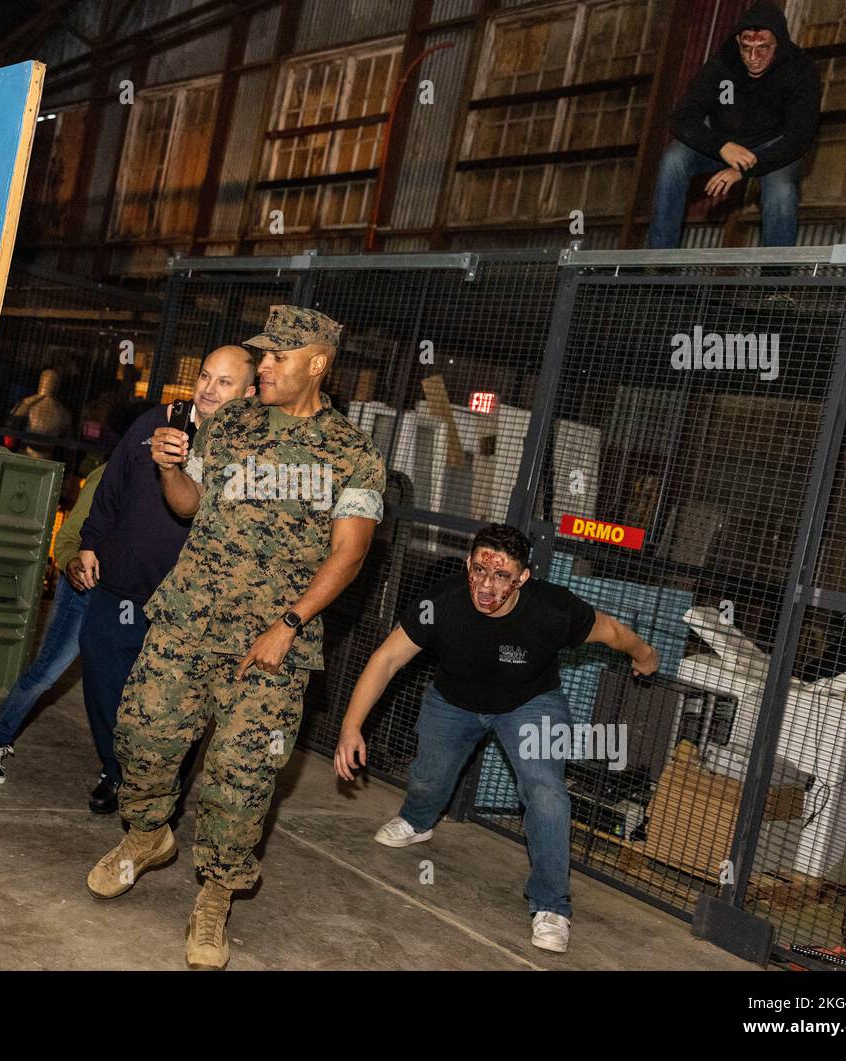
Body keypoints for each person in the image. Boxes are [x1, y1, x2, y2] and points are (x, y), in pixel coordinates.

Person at [84, 305, 386, 971]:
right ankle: (146, 836)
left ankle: (216, 894)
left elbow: (352, 550)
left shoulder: (353, 454)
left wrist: (290, 622)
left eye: (280, 356)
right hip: (188, 617)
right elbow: (191, 506)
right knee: (141, 733)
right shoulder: (231, 425)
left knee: (240, 780)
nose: (266, 366)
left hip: (271, 648)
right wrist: (170, 469)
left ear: (319, 363)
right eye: (265, 355)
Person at [333, 524, 660, 954]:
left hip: (529, 704)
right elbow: (388, 658)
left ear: (522, 578)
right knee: (431, 776)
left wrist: (646, 656)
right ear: (468, 564)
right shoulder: (441, 603)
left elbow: (614, 632)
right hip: (452, 701)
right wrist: (350, 727)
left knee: (546, 792)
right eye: (479, 570)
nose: (486, 585)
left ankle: (551, 906)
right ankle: (417, 820)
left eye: (501, 576)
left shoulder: (552, 609)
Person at [74, 347, 257, 814]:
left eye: (225, 382)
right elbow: (111, 483)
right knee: (103, 685)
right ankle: (117, 772)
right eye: (205, 376)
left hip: (185, 607)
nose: (209, 389)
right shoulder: (157, 421)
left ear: (250, 393)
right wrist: (90, 541)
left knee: (176, 708)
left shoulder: (250, 449)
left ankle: (160, 790)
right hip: (120, 587)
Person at [646, 1, 819, 250]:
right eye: (746, 48)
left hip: (772, 146)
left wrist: (744, 171)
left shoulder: (800, 69)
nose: (753, 58)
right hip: (724, 140)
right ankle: (657, 261)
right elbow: (681, 116)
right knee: (674, 160)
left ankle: (777, 283)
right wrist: (721, 146)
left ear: (778, 43)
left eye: (763, 48)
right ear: (738, 42)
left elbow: (800, 137)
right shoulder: (721, 64)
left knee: (781, 192)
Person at [0, 463, 106, 783]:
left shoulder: (185, 474)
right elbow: (70, 533)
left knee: (117, 688)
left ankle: (116, 771)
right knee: (48, 672)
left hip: (126, 598)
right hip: (85, 588)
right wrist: (70, 560)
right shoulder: (111, 473)